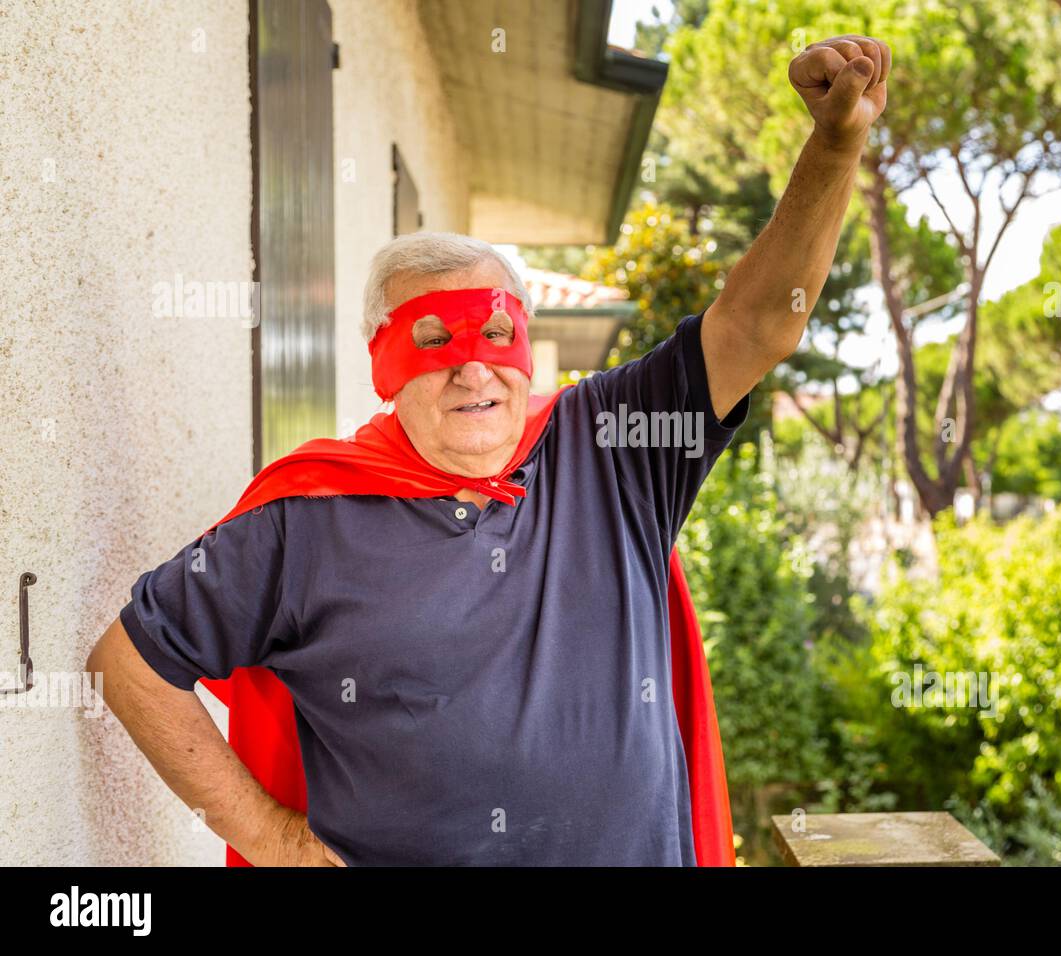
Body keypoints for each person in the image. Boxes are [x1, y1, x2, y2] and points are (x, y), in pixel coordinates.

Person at [85, 34, 891, 866]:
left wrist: (835, 144)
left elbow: (762, 322)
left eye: (495, 331)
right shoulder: (303, 517)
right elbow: (129, 663)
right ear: (382, 365)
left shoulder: (613, 444)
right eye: (433, 339)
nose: (473, 366)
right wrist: (271, 836)